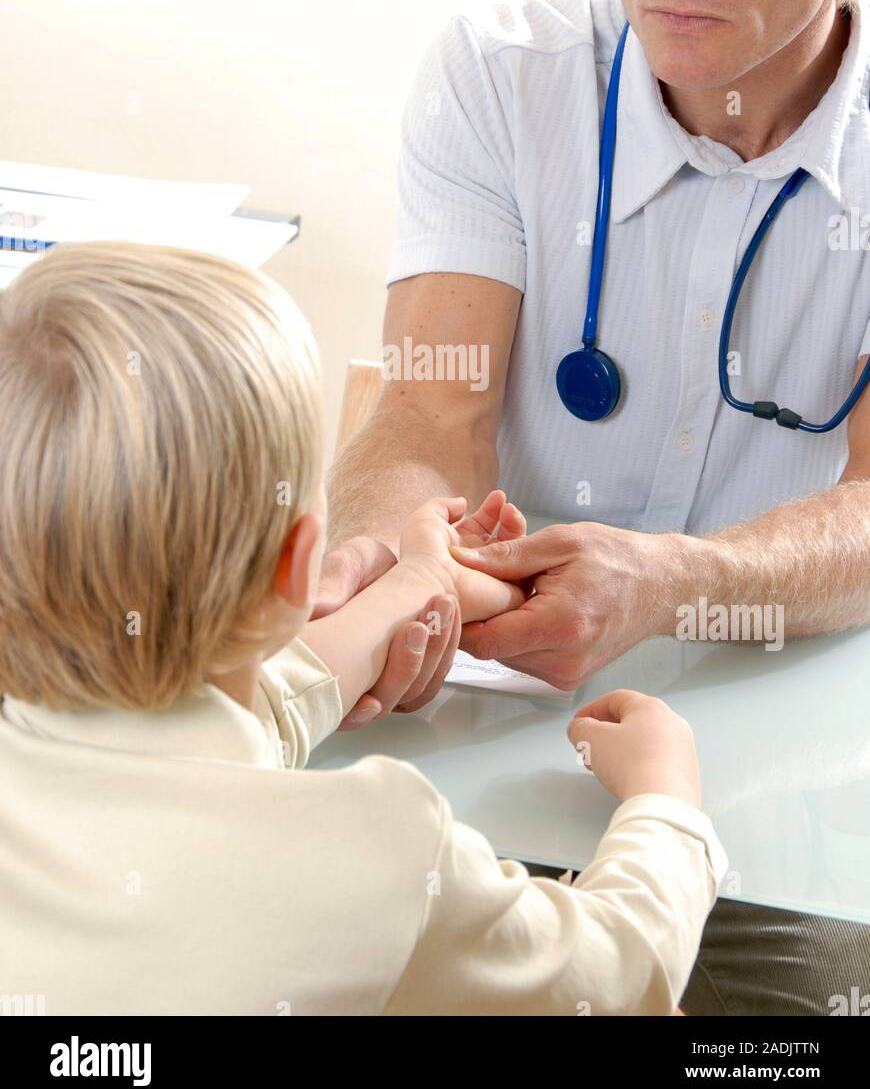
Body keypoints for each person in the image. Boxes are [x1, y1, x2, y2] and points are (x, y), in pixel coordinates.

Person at [320, 0, 870, 1014]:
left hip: (794, 799)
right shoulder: (500, 82)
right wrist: (406, 571)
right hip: (491, 743)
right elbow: (421, 419)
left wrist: (675, 583)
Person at [0, 241, 725, 1016]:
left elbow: (232, 715)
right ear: (301, 564)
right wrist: (665, 801)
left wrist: (419, 582)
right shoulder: (379, 855)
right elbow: (618, 979)